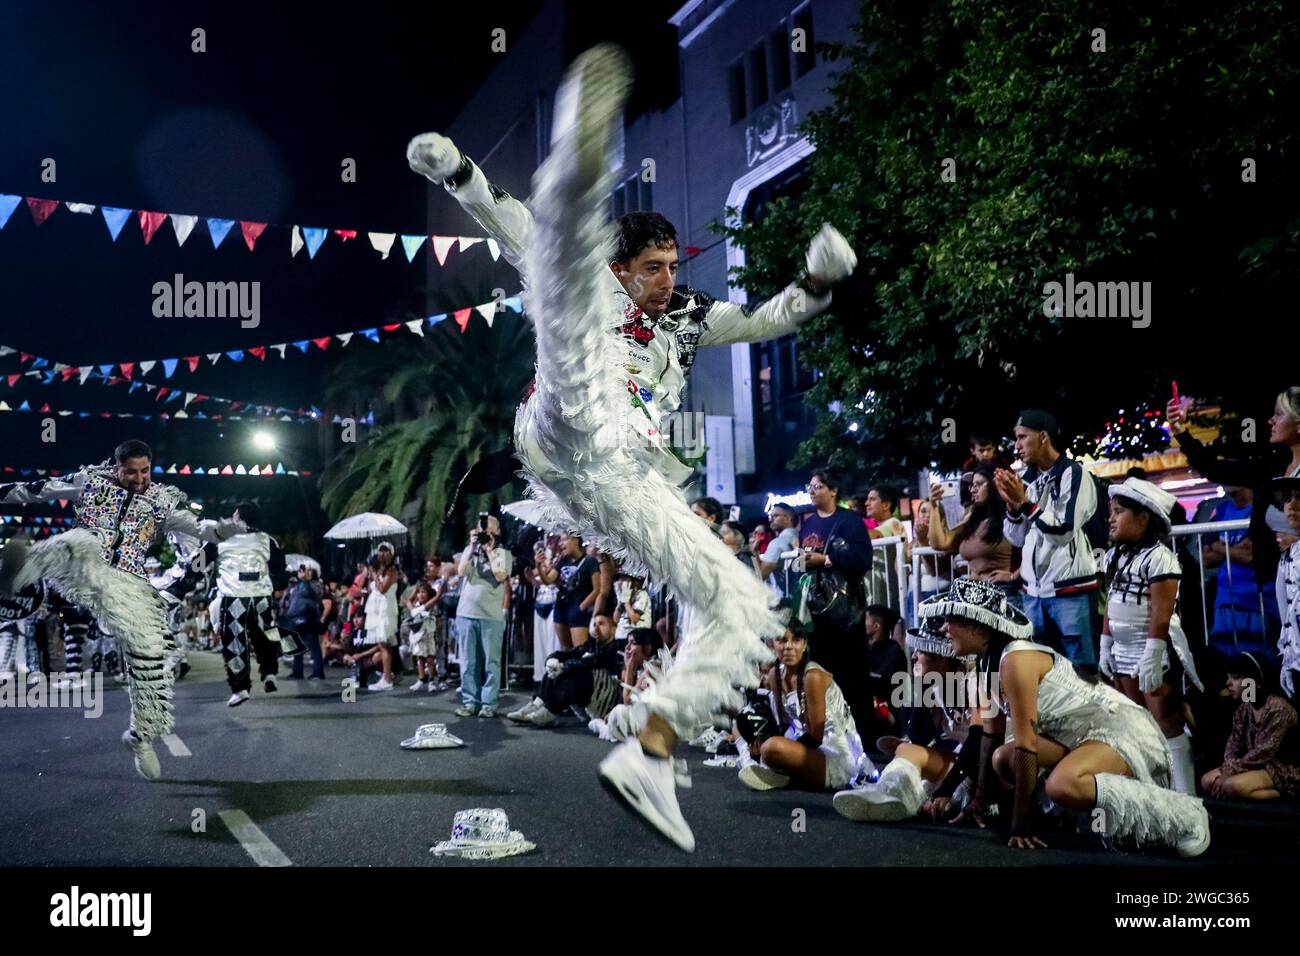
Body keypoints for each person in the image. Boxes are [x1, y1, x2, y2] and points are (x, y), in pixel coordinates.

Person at [407, 44, 857, 851]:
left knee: (739, 600)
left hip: (622, 472)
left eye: (670, 267)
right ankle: (581, 157)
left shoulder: (687, 312)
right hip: (561, 426)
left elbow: (761, 320)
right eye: (651, 268)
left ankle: (650, 755)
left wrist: (817, 288)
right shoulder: (606, 287)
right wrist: (459, 175)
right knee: (561, 285)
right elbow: (513, 224)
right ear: (626, 265)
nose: (664, 280)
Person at [0, 439, 241, 779]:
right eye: (131, 472)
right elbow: (34, 490)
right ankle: (16, 576)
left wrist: (227, 529)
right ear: (116, 468)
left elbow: (200, 528)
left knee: (150, 657)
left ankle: (141, 736)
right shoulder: (89, 481)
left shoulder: (161, 501)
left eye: (144, 471)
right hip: (84, 563)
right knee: (79, 541)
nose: (139, 478)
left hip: (129, 584)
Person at [923, 577, 1210, 855]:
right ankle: (1072, 812)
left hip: (1119, 727)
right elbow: (990, 736)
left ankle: (1185, 813)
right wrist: (979, 799)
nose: (945, 628)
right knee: (1002, 758)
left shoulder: (1015, 659)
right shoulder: (987, 663)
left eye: (952, 620)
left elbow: (1027, 745)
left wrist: (1020, 825)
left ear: (977, 626)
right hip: (1079, 737)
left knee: (1061, 784)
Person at [1098, 477, 1203, 794]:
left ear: (1144, 517)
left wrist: (1153, 653)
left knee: (1164, 718)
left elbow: (1162, 610)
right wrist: (1106, 645)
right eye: (1111, 512)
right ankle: (1154, 791)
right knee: (1137, 720)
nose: (1111, 518)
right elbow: (1111, 603)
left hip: (1151, 649)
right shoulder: (1114, 556)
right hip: (1123, 650)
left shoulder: (1160, 557)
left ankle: (1186, 797)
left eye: (1119, 512)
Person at [1168, 388, 1300, 634]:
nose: (1271, 421)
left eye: (1279, 415)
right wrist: (1180, 431)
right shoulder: (1273, 466)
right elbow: (1215, 469)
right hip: (1277, 586)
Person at [832, 616, 981, 823]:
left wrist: (947, 787)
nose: (913, 657)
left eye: (920, 652)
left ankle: (886, 794)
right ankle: (887, 796)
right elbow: (918, 736)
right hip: (966, 764)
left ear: (941, 658)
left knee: (907, 752)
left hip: (985, 773)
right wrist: (923, 689)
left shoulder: (973, 683)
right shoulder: (936, 687)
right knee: (910, 761)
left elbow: (978, 743)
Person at [995, 409, 1100, 670]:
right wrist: (1012, 508)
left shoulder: (1074, 474)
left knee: (1082, 672)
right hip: (1033, 593)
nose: (1016, 446)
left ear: (1043, 437)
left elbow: (1065, 530)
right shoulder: (1027, 479)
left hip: (1071, 589)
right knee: (1043, 674)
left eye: (1022, 437)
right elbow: (1017, 538)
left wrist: (1025, 503)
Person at [738, 620, 867, 792]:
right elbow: (783, 725)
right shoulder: (773, 676)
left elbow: (816, 738)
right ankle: (775, 769)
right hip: (808, 751)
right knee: (762, 743)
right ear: (772, 645)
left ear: (805, 644)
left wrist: (781, 751)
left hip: (837, 759)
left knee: (771, 748)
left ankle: (782, 773)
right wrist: (759, 741)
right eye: (782, 640)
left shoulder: (813, 675)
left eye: (796, 640)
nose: (788, 646)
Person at [796, 468, 875, 733]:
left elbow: (863, 559)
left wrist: (828, 559)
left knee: (852, 669)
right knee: (820, 666)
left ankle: (863, 730)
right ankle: (828, 727)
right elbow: (800, 559)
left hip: (847, 609)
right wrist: (803, 562)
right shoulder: (807, 524)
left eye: (818, 486)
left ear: (833, 491)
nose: (812, 490)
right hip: (816, 609)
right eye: (810, 486)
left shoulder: (849, 521)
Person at [1201, 652, 1299, 800]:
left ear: (1255, 681)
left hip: (1280, 768)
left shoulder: (1277, 708)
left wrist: (1231, 772)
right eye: (1228, 677)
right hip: (1254, 766)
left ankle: (1287, 793)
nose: (1228, 683)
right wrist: (1228, 767)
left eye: (1235, 678)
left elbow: (1264, 751)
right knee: (1207, 781)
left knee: (1231, 786)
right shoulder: (1243, 709)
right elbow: (1233, 745)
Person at [509, 611, 623, 726]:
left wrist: (564, 667)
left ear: (613, 628)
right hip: (587, 702)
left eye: (602, 624)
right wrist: (552, 660)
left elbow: (592, 661)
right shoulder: (591, 645)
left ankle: (550, 711)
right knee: (554, 670)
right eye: (594, 624)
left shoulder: (616, 648)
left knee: (576, 673)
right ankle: (537, 704)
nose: (596, 628)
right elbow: (568, 654)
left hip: (606, 702)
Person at [1199, 486, 1272, 657]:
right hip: (1225, 602)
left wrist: (1219, 547)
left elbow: (1250, 555)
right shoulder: (1220, 510)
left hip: (1258, 603)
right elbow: (1207, 558)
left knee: (1260, 664)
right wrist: (1233, 550)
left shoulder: (1263, 509)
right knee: (1231, 667)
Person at [455, 515, 512, 717]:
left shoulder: (503, 553)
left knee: (491, 662)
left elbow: (501, 576)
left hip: (491, 617)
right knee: (468, 662)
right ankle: (470, 702)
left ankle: (488, 703)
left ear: (496, 532)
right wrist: (471, 548)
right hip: (466, 614)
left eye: (490, 529)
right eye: (482, 529)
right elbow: (461, 572)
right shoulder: (469, 551)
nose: (485, 533)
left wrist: (489, 550)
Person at [928, 463, 1018, 589]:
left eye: (979, 484)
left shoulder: (1011, 516)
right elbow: (939, 543)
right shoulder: (972, 520)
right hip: (974, 593)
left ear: (994, 485)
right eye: (972, 485)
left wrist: (1013, 576)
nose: (972, 489)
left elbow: (1034, 549)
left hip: (1002, 593)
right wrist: (933, 505)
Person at [538, 532, 599, 648]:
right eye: (560, 540)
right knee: (565, 649)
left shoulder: (590, 561)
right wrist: (538, 567)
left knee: (579, 650)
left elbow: (597, 589)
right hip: (562, 607)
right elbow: (548, 580)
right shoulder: (563, 560)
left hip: (578, 609)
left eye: (565, 540)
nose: (561, 544)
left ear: (576, 540)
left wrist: (582, 607)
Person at [358, 542, 400, 690]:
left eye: (386, 551)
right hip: (376, 609)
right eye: (380, 551)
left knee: (385, 644)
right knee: (382, 644)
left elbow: (382, 589)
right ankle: (386, 676)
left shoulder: (392, 571)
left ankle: (387, 679)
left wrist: (375, 576)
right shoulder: (380, 570)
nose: (383, 554)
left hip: (385, 610)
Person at [864, 604, 908, 740]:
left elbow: (898, 695)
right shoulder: (863, 649)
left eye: (865, 619)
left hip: (885, 723)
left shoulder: (894, 653)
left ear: (877, 626)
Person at [1274, 476, 1300, 697]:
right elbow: (1287, 614)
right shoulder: (1287, 556)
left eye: (1299, 497)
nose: (1292, 504)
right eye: (1287, 498)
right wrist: (1288, 659)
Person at [283, 564, 326, 680]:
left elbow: (313, 594)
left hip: (309, 618)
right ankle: (297, 672)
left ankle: (318, 672)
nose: (306, 573)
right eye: (304, 571)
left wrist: (306, 581)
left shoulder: (317, 585)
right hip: (295, 618)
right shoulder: (298, 586)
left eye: (309, 571)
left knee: (314, 646)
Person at [759, 503, 799, 599]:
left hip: (782, 600)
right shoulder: (800, 537)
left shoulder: (777, 543)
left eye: (775, 516)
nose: (771, 519)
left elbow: (763, 572)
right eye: (770, 516)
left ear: (788, 518)